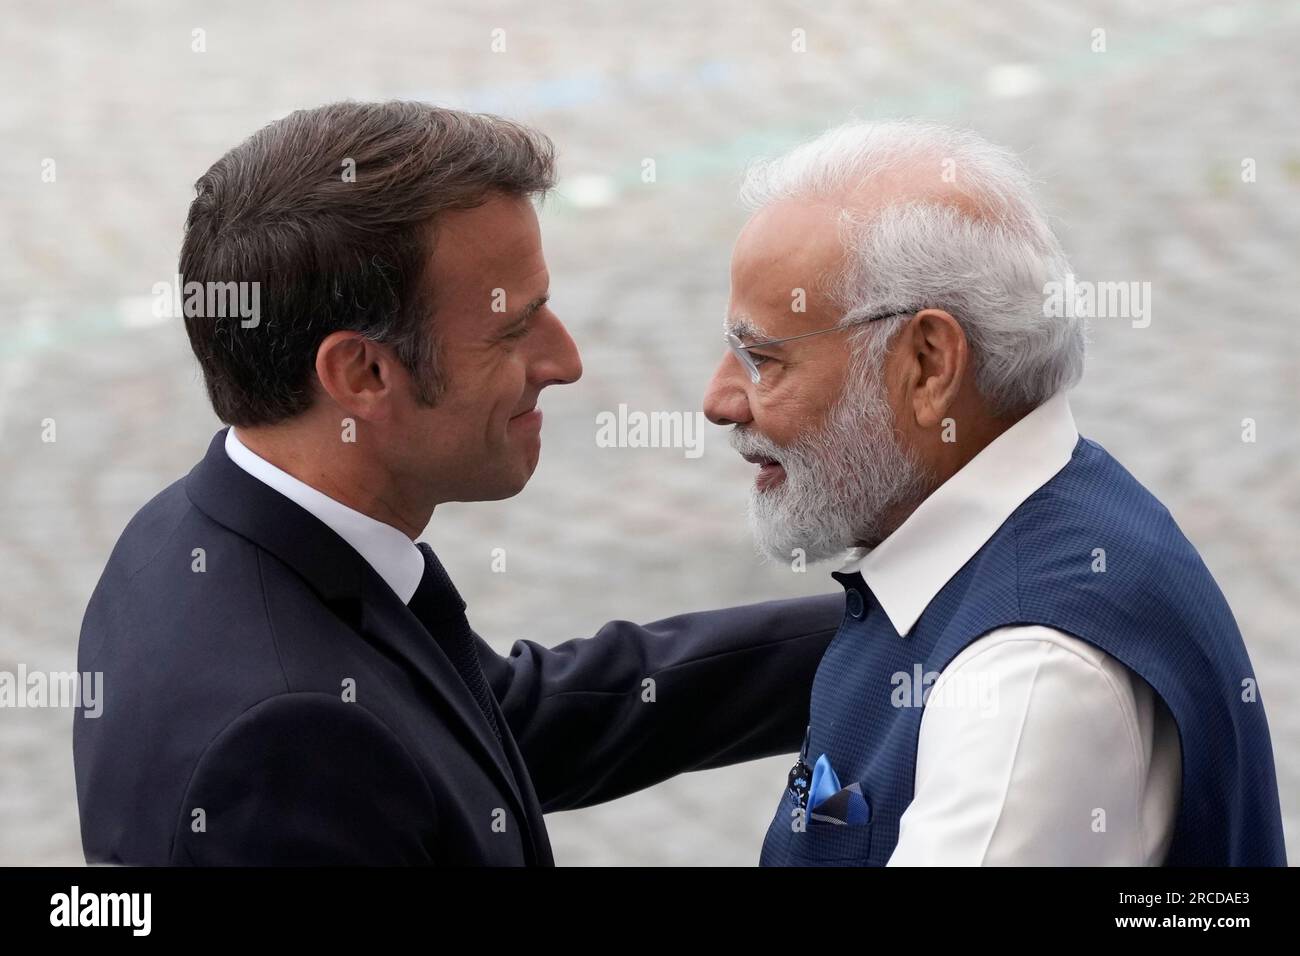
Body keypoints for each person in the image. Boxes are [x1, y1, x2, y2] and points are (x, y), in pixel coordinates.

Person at [74, 101, 843, 866]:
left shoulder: (194, 533)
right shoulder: (292, 745)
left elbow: (500, 721)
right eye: (515, 329)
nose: (566, 362)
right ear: (363, 372)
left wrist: (890, 628)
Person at [703, 120, 1286, 866]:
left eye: (760, 358)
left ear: (928, 363)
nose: (720, 400)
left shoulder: (1025, 683)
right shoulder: (1055, 517)